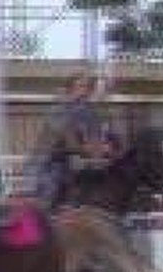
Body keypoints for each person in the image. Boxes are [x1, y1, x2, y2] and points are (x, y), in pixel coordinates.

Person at [32, 73, 120, 209]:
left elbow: (97, 141)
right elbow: (72, 144)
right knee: (50, 199)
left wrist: (106, 152)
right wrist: (100, 149)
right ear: (70, 90)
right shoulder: (61, 111)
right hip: (51, 165)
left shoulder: (89, 113)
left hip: (74, 165)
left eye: (88, 87)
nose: (86, 91)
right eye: (81, 87)